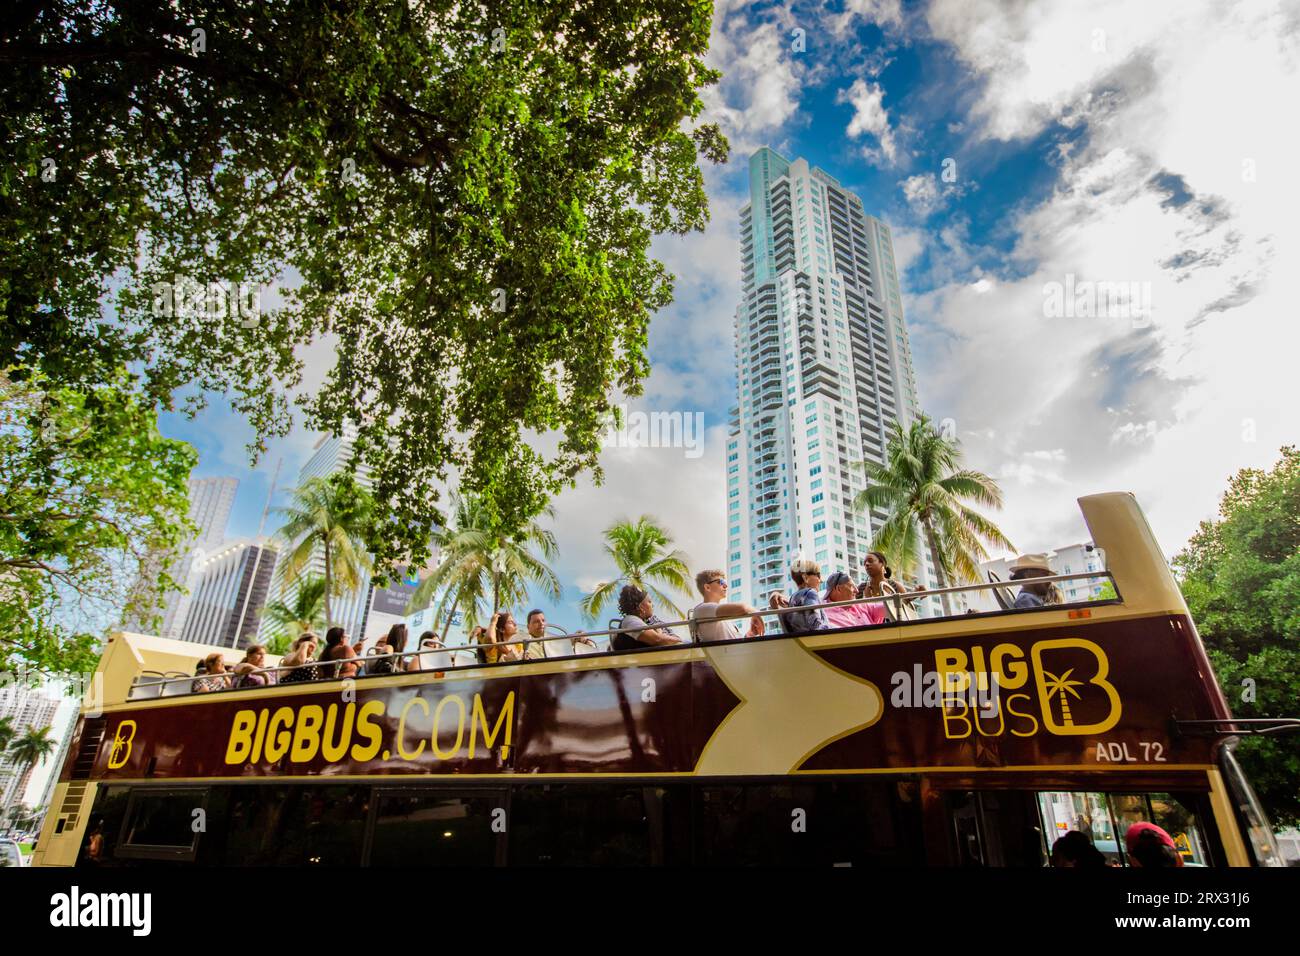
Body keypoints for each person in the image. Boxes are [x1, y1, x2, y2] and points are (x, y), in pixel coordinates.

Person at [690, 569, 764, 642]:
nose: (725, 585)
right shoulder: (701, 609)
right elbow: (743, 608)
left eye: (724, 582)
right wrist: (755, 613)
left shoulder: (719, 615)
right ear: (707, 587)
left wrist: (750, 633)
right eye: (720, 582)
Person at [768, 558, 829, 634]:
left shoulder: (792, 599)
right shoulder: (810, 593)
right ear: (806, 578)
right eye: (818, 575)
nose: (820, 580)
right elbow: (816, 626)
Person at [859, 551, 923, 621]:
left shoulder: (895, 586)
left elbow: (904, 608)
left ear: (882, 564)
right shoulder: (860, 588)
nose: (867, 564)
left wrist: (914, 593)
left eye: (870, 561)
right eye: (864, 563)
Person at [613, 585, 682, 650]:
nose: (652, 605)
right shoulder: (630, 620)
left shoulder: (644, 622)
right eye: (649, 601)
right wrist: (679, 640)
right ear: (640, 606)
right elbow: (658, 640)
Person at [822, 571, 886, 629]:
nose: (857, 590)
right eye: (852, 586)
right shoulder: (824, 615)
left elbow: (887, 606)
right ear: (839, 589)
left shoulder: (860, 605)